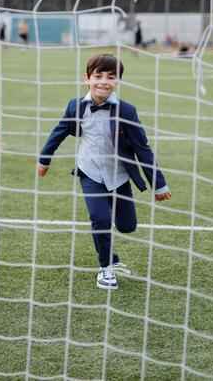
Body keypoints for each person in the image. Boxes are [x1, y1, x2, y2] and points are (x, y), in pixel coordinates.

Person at [37, 54, 171, 290]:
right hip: (90, 173)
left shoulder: (127, 111)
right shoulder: (76, 106)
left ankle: (114, 258)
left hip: (119, 176)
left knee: (127, 225)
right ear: (87, 78)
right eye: (98, 76)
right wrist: (45, 159)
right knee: (100, 218)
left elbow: (143, 148)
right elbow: (59, 132)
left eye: (111, 77)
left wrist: (159, 184)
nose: (103, 82)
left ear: (117, 81)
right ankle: (106, 268)